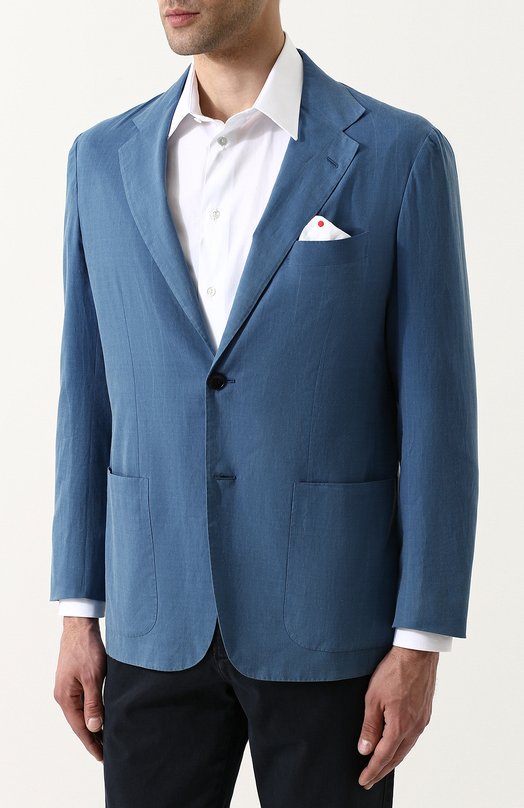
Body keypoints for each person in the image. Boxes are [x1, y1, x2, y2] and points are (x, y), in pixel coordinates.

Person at [50, 2, 479, 806]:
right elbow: (86, 394)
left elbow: (439, 422)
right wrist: (79, 609)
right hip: (152, 616)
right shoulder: (100, 161)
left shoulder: (400, 155)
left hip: (331, 622)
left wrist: (420, 638)